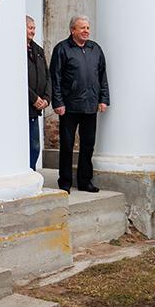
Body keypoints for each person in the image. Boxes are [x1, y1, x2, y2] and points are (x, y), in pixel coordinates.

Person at [50, 15, 108, 192]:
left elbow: (102, 76)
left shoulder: (95, 49)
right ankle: (65, 182)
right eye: (82, 28)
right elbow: (56, 77)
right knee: (67, 145)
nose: (86, 31)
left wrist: (103, 99)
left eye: (88, 28)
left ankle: (84, 181)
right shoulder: (62, 49)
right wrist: (58, 102)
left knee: (88, 145)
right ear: (72, 30)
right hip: (69, 106)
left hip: (90, 105)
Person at [26, 15, 49, 170]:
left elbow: (47, 77)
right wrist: (34, 98)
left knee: (35, 146)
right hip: (25, 107)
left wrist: (47, 98)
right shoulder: (13, 51)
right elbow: (16, 79)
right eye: (30, 27)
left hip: (36, 109)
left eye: (34, 28)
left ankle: (31, 172)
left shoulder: (38, 51)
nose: (33, 31)